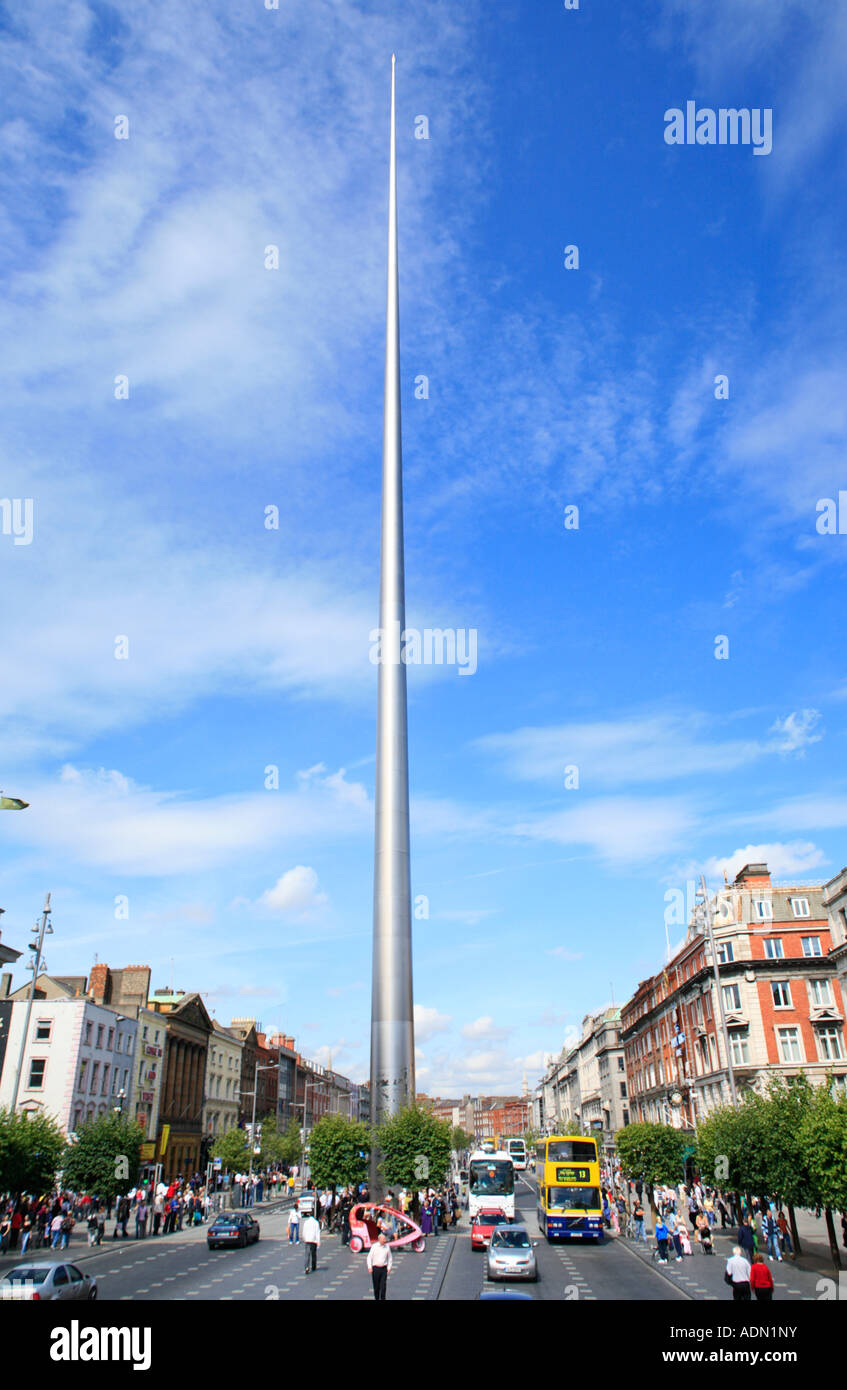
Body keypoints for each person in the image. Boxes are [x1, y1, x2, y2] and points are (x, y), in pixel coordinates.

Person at [367, 1231, 392, 1300]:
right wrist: (369, 1267)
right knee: (376, 1287)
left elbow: (390, 1257)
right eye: (383, 1239)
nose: (385, 1240)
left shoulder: (387, 1247)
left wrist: (389, 1267)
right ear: (379, 1239)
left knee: (383, 1287)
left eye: (385, 1239)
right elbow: (369, 1257)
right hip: (375, 1269)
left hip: (384, 1269)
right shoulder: (374, 1246)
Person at [302, 1210, 320, 1275]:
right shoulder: (316, 1222)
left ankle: (306, 1267)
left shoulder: (306, 1222)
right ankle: (313, 1266)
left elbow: (304, 1231)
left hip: (307, 1239)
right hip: (313, 1240)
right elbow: (317, 1232)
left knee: (307, 1254)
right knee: (313, 1254)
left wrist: (304, 1238)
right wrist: (318, 1241)